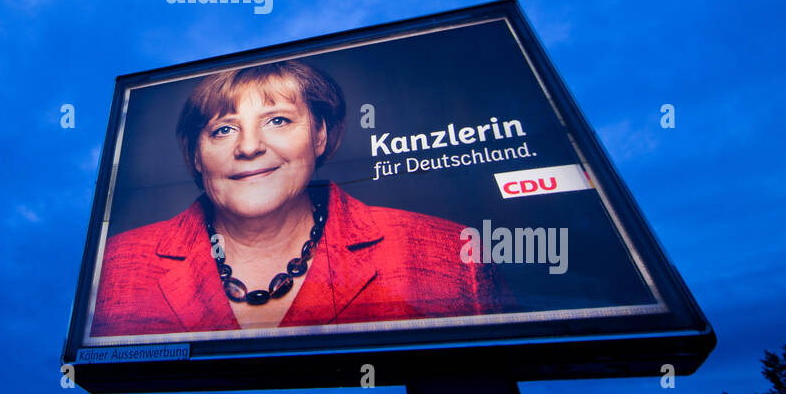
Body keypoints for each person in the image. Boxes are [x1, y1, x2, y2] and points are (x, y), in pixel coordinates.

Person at [90, 59, 509, 336]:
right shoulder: (115, 265)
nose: (249, 147)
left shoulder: (451, 254)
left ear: (321, 134)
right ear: (196, 155)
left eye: (277, 120)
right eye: (223, 129)